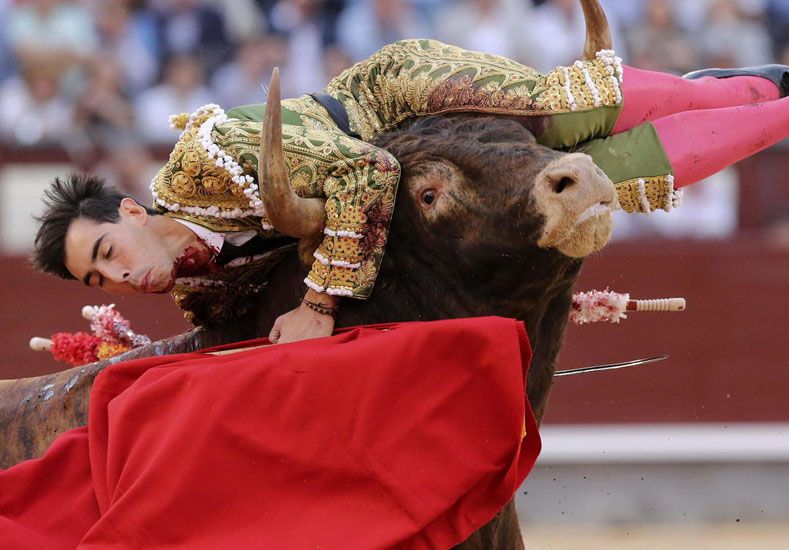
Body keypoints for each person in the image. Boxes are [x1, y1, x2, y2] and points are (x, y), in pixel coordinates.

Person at [32, 37, 789, 342]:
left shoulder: (203, 159)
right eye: (97, 279)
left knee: (563, 118)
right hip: (432, 196)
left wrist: (319, 304)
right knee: (605, 181)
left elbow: (368, 170)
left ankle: (761, 85)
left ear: (132, 210)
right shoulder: (205, 294)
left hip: (398, 105)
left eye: (106, 249)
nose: (120, 276)